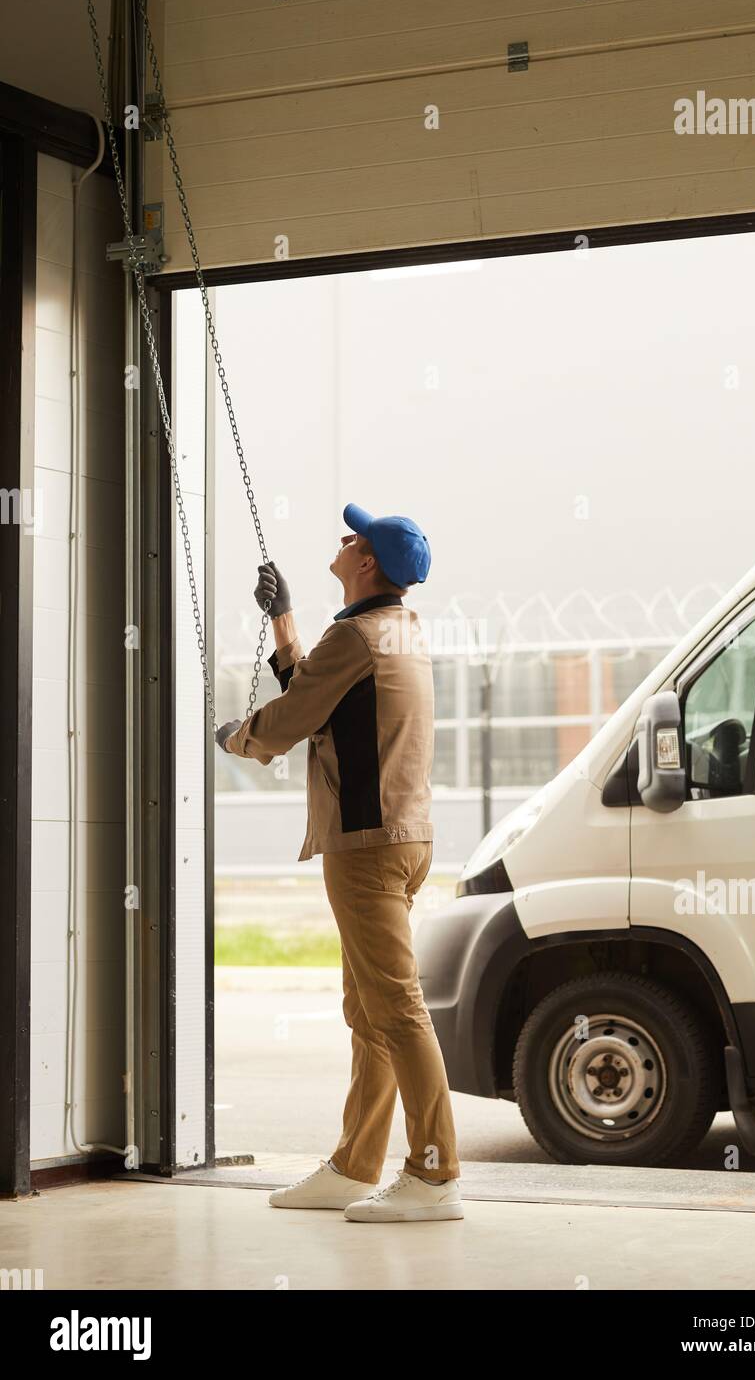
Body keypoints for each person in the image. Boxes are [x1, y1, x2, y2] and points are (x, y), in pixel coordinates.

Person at [216, 504, 462, 1223]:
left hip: (365, 848)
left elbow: (292, 720)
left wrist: (237, 739)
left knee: (396, 1009)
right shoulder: (402, 632)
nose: (344, 538)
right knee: (370, 1009)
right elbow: (324, 696)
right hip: (405, 840)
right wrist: (284, 621)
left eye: (355, 536)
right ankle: (357, 1165)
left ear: (368, 565)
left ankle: (435, 1173)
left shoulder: (356, 636)